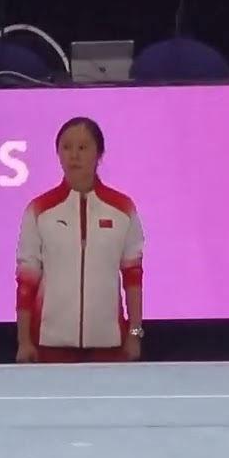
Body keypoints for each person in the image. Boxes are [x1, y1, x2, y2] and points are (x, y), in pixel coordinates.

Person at [14, 117, 145, 364]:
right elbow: (26, 281)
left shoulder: (122, 209)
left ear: (99, 154)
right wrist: (24, 341)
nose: (74, 155)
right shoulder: (40, 209)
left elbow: (133, 277)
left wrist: (135, 334)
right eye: (66, 147)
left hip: (110, 344)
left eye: (83, 148)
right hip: (49, 344)